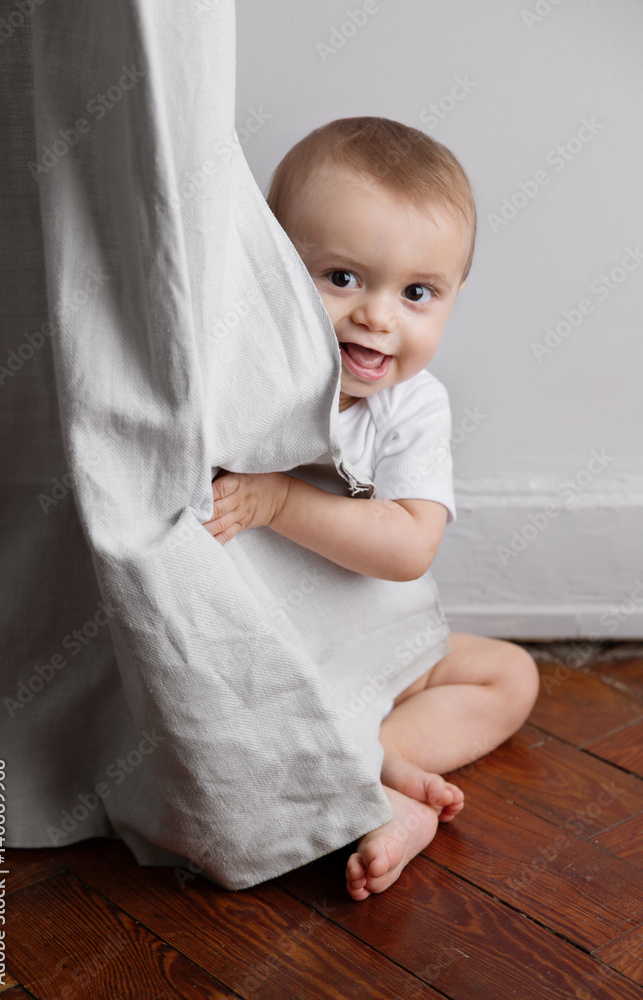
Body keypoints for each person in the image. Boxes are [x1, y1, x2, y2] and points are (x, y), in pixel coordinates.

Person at [202, 117, 539, 900]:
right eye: (342, 278)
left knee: (509, 676)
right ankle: (364, 776)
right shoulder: (245, 382)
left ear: (451, 298)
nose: (378, 317)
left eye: (416, 293)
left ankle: (382, 762)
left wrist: (280, 500)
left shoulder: (411, 407)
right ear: (272, 270)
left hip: (382, 652)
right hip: (286, 665)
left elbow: (409, 547)